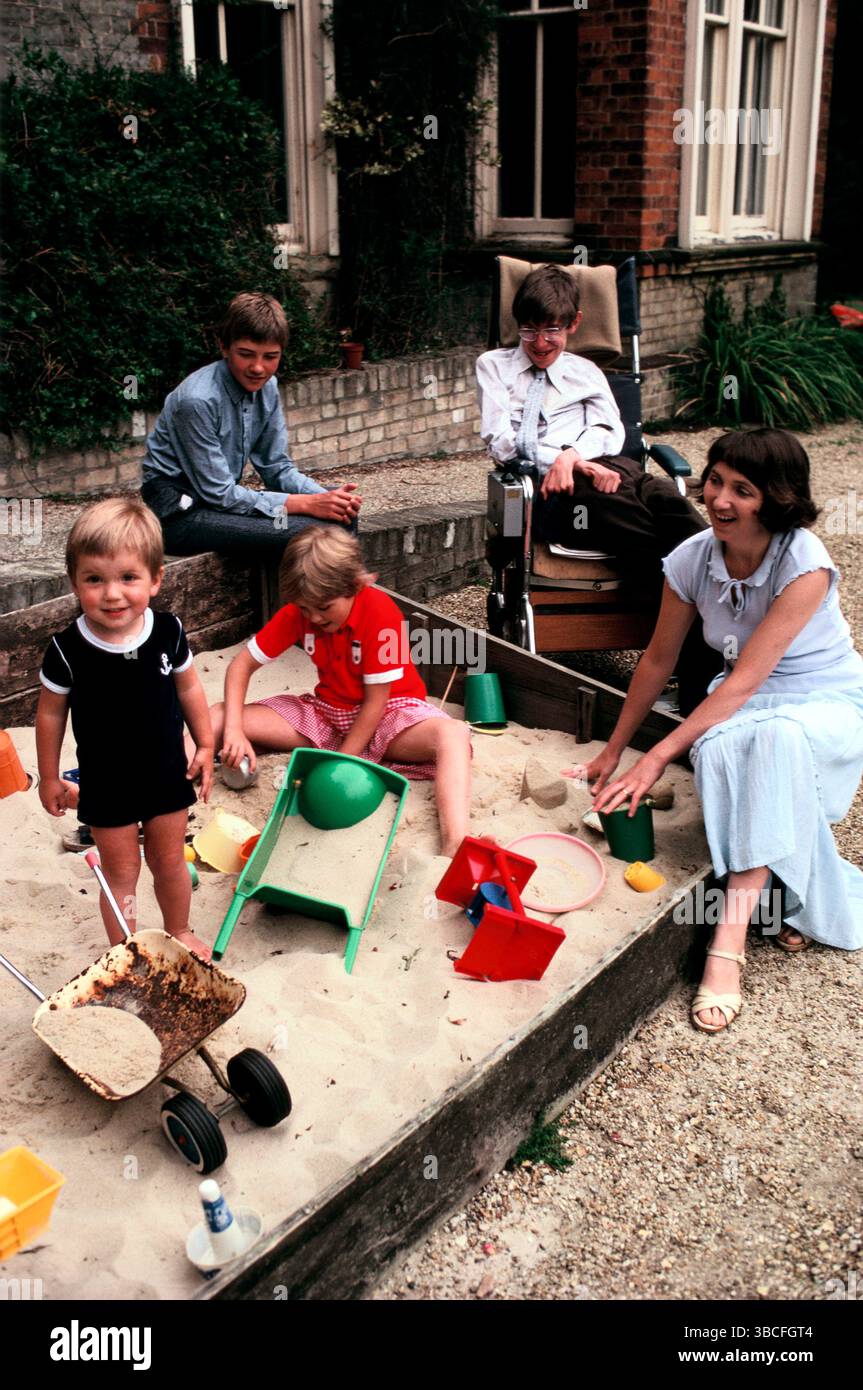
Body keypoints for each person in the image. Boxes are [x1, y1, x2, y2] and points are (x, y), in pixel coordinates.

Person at [576, 428, 863, 1033]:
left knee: (771, 742)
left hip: (824, 699)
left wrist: (654, 759)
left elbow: (746, 682)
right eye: (713, 480)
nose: (720, 500)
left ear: (777, 499)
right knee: (733, 746)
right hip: (749, 702)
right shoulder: (690, 558)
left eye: (742, 490)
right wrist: (615, 748)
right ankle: (785, 898)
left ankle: (725, 948)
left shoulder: (803, 561)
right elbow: (657, 660)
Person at [476, 263, 721, 712]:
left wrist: (576, 455)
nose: (540, 344)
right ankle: (705, 656)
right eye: (529, 331)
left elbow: (610, 430)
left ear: (574, 324)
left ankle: (728, 589)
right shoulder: (493, 366)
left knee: (670, 501)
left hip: (611, 469)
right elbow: (503, 441)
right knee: (660, 548)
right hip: (554, 490)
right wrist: (569, 464)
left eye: (552, 330)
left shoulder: (586, 371)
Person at [205, 527, 472, 858]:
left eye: (324, 607)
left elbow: (376, 702)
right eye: (304, 609)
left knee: (454, 733)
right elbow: (239, 667)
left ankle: (455, 842)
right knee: (217, 716)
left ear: (356, 587)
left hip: (392, 717)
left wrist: (338, 765)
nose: (314, 618)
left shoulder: (380, 611)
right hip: (327, 714)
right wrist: (233, 730)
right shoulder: (302, 612)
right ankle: (169, 784)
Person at [35, 498, 214, 959]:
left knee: (169, 861)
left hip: (167, 774)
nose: (112, 594)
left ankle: (180, 929)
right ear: (75, 582)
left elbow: (190, 689)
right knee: (121, 874)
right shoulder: (67, 649)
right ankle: (126, 951)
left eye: (128, 578)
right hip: (106, 786)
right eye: (95, 580)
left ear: (155, 579)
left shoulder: (169, 632)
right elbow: (51, 715)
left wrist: (206, 742)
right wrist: (50, 776)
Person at [141, 291, 361, 556]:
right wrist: (308, 503)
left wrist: (329, 498)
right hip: (180, 515)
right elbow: (221, 495)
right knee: (309, 530)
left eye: (270, 357)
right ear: (224, 346)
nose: (258, 368)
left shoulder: (268, 388)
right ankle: (312, 596)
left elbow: (277, 467)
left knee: (342, 514)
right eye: (246, 354)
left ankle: (331, 596)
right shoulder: (196, 401)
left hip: (218, 503)